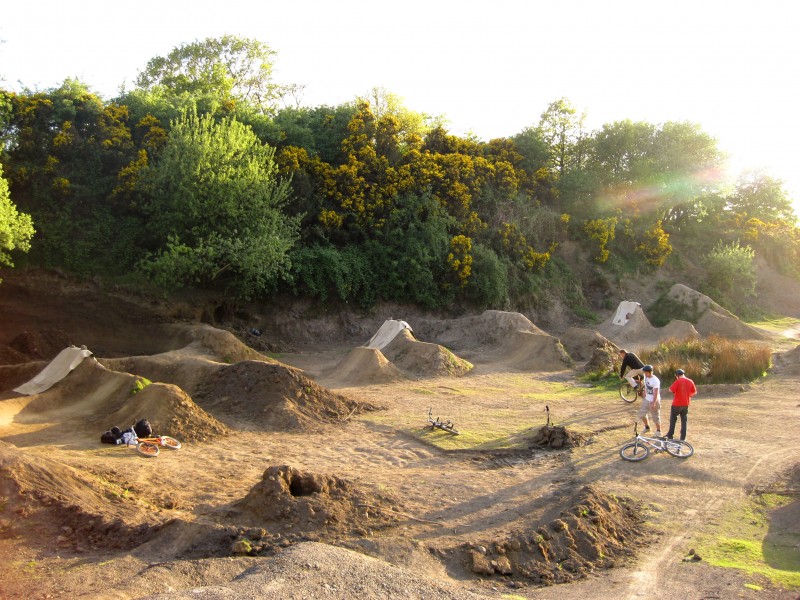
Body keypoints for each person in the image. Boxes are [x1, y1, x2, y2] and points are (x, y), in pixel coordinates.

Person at [666, 368, 697, 440]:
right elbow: (694, 392)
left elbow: (670, 390)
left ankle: (670, 435)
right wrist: (688, 395)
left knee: (673, 420)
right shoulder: (690, 381)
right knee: (684, 421)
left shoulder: (678, 381)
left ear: (677, 375)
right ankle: (683, 437)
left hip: (676, 404)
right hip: (685, 404)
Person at [638, 365, 662, 436]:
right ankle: (647, 427)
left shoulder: (655, 380)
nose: (645, 374)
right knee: (642, 414)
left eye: (647, 373)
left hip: (654, 400)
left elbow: (656, 392)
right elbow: (646, 386)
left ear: (651, 372)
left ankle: (658, 431)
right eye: (645, 373)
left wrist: (653, 402)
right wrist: (644, 393)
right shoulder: (646, 377)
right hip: (647, 399)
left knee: (655, 416)